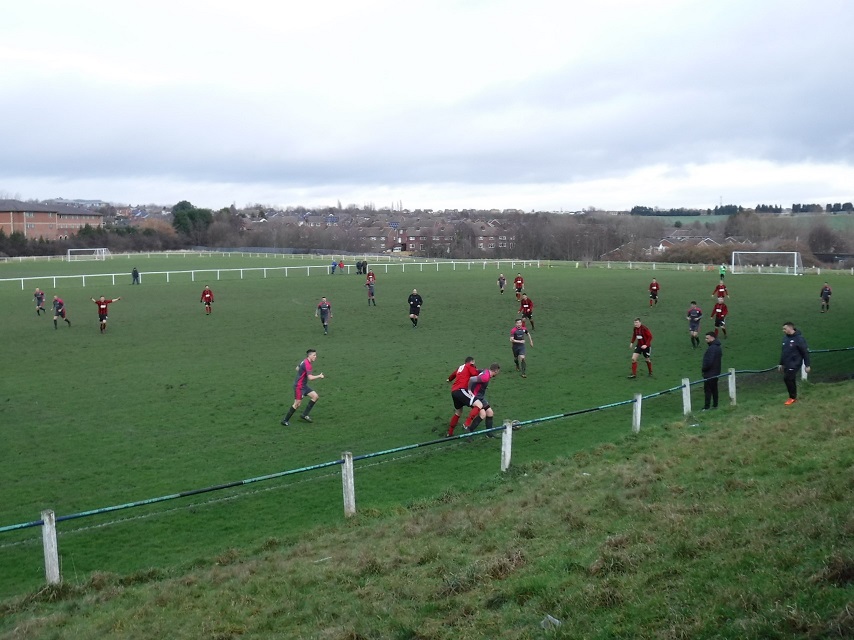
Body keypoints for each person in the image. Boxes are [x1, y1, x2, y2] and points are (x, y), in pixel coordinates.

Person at [281, 349, 325, 425]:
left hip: (303, 385)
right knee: (297, 404)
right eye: (314, 355)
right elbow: (310, 378)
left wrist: (301, 375)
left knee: (315, 396)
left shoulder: (304, 361)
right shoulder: (308, 364)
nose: (315, 357)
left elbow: (297, 368)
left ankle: (304, 415)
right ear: (309, 355)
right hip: (299, 386)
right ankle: (285, 420)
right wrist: (319, 376)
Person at [463, 362, 501, 433]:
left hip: (481, 397)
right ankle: (469, 431)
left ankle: (489, 433)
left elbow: (477, 371)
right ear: (496, 371)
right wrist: (469, 390)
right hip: (475, 398)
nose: (498, 373)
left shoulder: (486, 371)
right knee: (482, 414)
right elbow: (471, 379)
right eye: (498, 372)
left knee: (490, 413)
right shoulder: (485, 377)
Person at [446, 356, 479, 436]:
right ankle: (467, 424)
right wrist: (476, 369)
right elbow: (475, 374)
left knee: (458, 412)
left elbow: (453, 374)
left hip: (454, 391)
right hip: (461, 390)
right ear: (472, 361)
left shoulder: (460, 367)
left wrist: (449, 379)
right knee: (478, 405)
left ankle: (450, 433)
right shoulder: (469, 366)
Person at [779, 322, 810, 405]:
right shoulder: (785, 339)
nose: (783, 330)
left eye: (785, 329)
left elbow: (805, 352)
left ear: (790, 328)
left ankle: (792, 397)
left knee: (787, 378)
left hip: (795, 363)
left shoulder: (799, 339)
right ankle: (793, 397)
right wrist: (781, 363)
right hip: (787, 363)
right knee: (790, 379)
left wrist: (807, 365)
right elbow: (784, 352)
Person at [701, 331, 723, 410]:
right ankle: (715, 405)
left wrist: (704, 369)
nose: (706, 340)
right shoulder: (718, 347)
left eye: (707, 338)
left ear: (712, 338)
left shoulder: (712, 348)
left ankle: (707, 407)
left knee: (708, 391)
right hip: (716, 372)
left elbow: (709, 362)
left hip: (710, 373)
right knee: (714, 390)